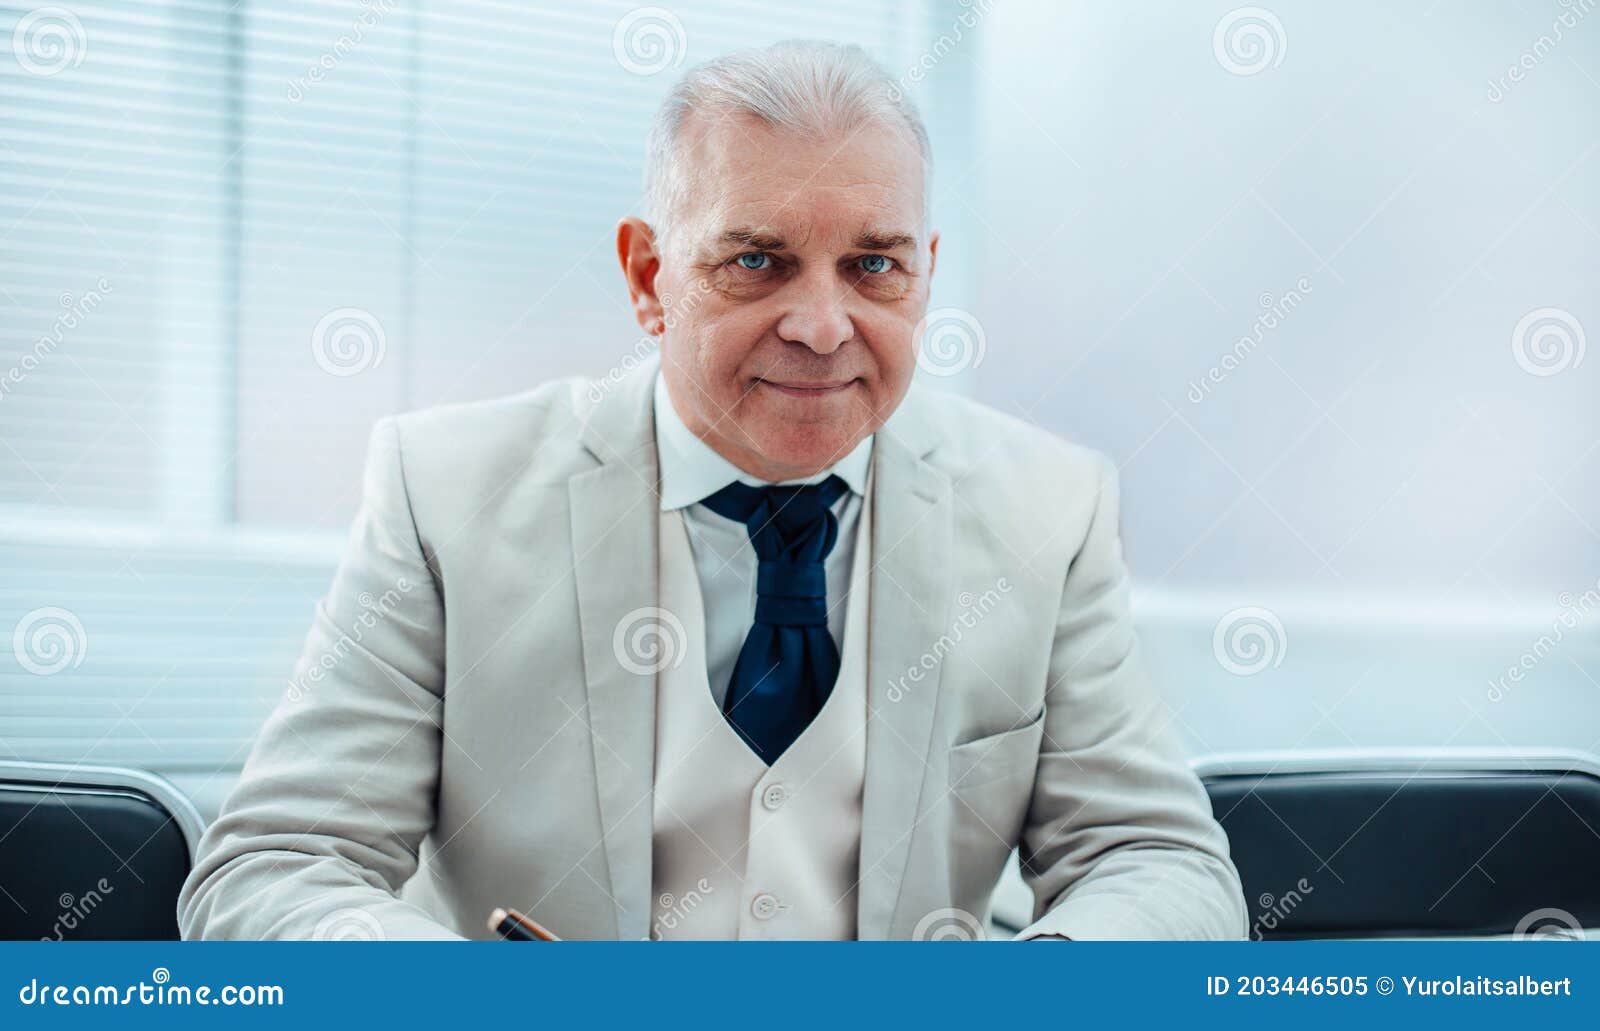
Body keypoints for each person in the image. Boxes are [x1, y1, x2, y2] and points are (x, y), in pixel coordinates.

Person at [179, 39, 1246, 941]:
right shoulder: (444, 491)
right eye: (757, 263)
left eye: (873, 267)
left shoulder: (1048, 509)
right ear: (649, 278)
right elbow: (275, 865)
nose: (822, 327)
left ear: (924, 273)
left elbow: (1158, 859)